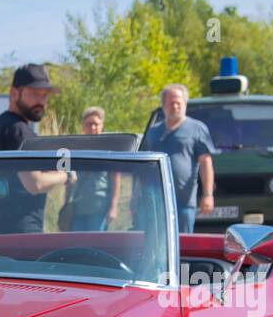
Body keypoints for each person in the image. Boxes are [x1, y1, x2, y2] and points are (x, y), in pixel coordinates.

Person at [0, 63, 76, 234]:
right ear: (14, 93)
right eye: (35, 94)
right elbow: (35, 183)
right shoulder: (19, 131)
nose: (41, 102)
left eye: (45, 95)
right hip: (20, 236)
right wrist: (66, 175)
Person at [139, 83, 215, 233]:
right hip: (155, 201)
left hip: (183, 202)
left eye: (178, 103)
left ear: (185, 103)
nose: (175, 106)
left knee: (183, 245)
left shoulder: (197, 128)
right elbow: (142, 165)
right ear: (163, 105)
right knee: (155, 243)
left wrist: (208, 195)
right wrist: (135, 197)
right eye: (171, 103)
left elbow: (205, 162)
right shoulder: (153, 132)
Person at [61, 106, 121, 231]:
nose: (93, 128)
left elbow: (116, 179)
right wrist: (66, 204)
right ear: (83, 126)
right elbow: (68, 179)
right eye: (89, 124)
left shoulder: (109, 150)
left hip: (99, 209)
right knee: (77, 246)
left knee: (95, 245)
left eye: (96, 124)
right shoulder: (74, 149)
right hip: (78, 208)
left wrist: (113, 207)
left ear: (102, 125)